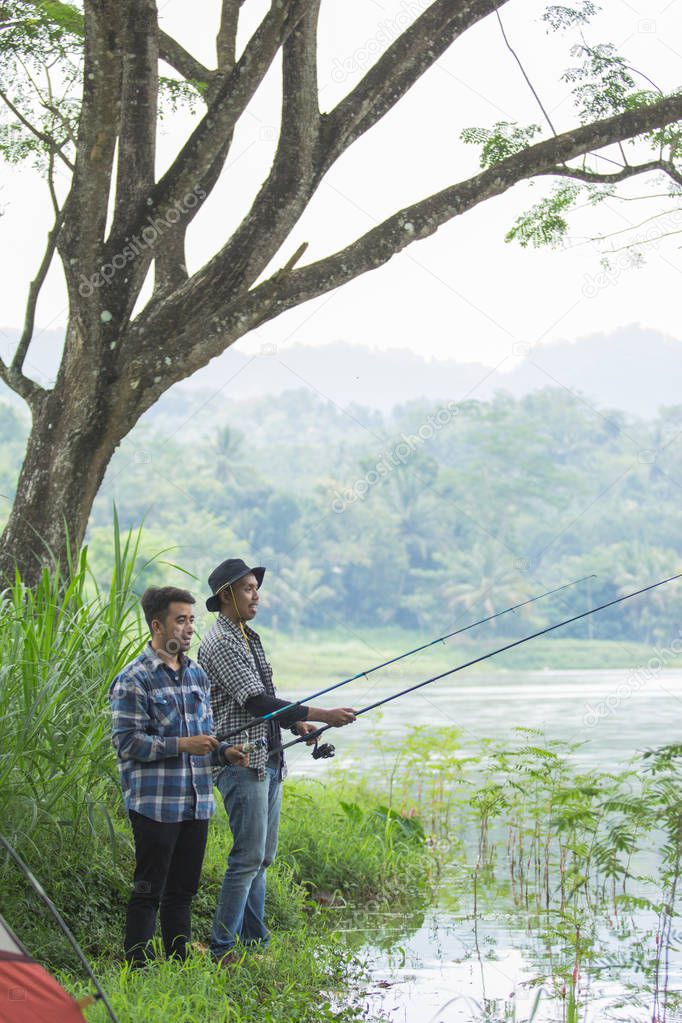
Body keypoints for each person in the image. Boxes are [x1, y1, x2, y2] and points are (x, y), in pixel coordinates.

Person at [199, 558, 356, 963]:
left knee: (263, 858)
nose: (257, 595)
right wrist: (322, 715)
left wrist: (297, 727)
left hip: (267, 759)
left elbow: (267, 706)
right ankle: (222, 949)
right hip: (240, 762)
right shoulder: (222, 642)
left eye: (256, 588)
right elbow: (256, 702)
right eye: (248, 588)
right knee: (247, 857)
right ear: (226, 595)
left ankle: (256, 944)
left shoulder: (249, 637)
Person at [109, 585, 249, 967]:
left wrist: (223, 751)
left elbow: (206, 735)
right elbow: (127, 743)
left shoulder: (197, 675)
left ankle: (179, 963)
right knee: (148, 889)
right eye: (180, 620)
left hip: (196, 801)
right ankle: (136, 967)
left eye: (191, 620)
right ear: (158, 625)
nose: (189, 628)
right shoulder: (133, 679)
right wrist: (182, 745)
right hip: (154, 804)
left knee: (183, 891)